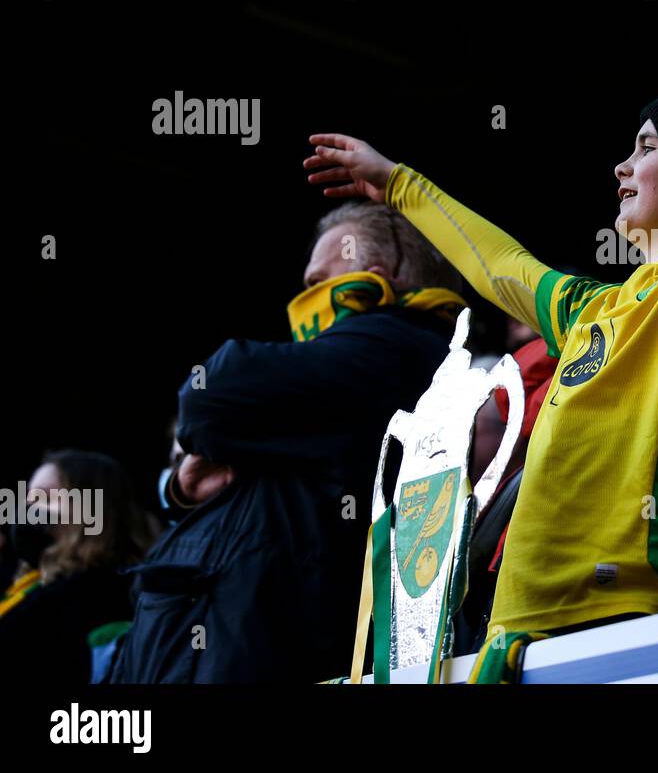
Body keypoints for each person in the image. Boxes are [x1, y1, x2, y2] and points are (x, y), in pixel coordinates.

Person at [304, 0, 658, 681]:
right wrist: (399, 185)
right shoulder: (595, 310)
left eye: (646, 146)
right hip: (515, 637)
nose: (621, 166)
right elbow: (503, 268)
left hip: (632, 627)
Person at [109, 202, 465, 682]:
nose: (306, 293)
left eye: (319, 281)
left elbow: (208, 394)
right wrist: (183, 491)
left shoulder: (390, 342)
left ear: (376, 278)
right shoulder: (346, 379)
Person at [0, 450, 158, 683]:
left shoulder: (101, 597)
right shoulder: (29, 588)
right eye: (28, 499)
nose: (26, 511)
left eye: (44, 499)